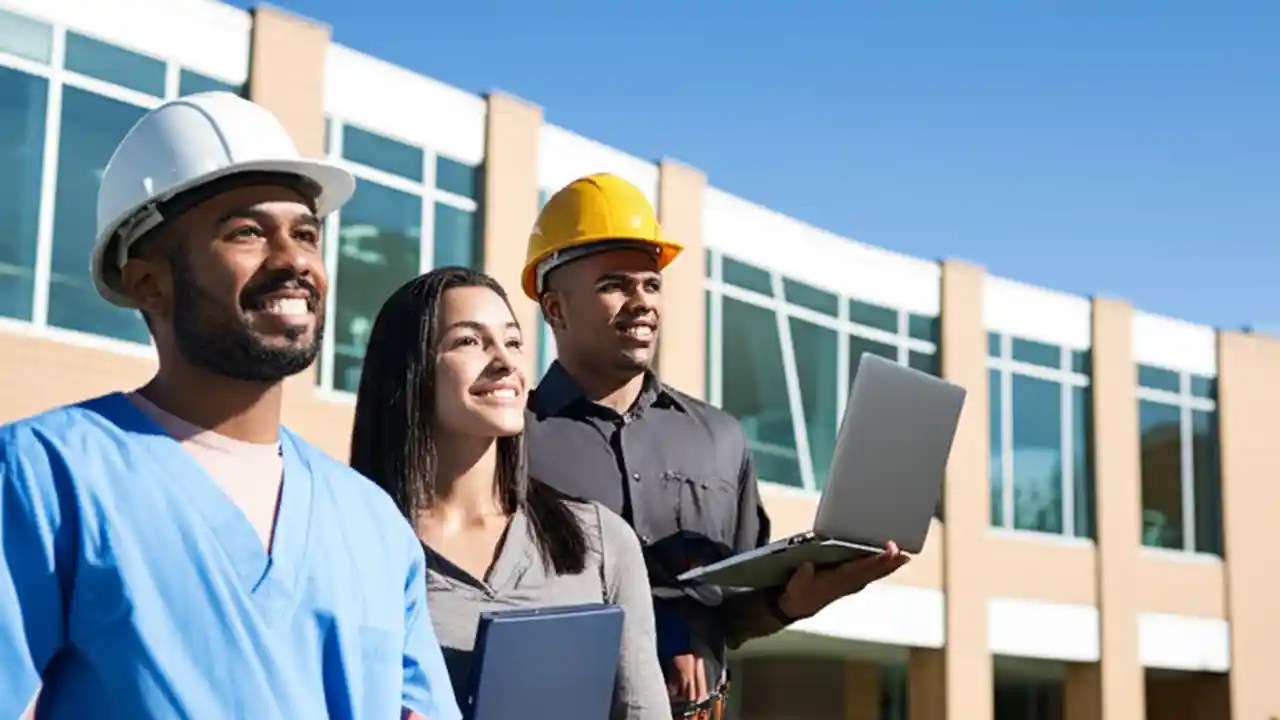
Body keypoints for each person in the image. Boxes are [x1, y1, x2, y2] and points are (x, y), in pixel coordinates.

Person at [0, 92, 459, 720]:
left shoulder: (373, 524)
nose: (295, 260)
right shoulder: (43, 478)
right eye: (247, 232)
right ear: (148, 282)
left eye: (306, 234)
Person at [521, 173, 912, 717]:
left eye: (651, 284)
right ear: (555, 309)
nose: (642, 302)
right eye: (614, 284)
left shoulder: (720, 438)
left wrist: (790, 602)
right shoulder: (509, 441)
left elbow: (736, 610)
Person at [348, 266, 672, 720]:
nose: (505, 362)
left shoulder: (601, 542)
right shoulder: (350, 546)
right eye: (470, 341)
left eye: (514, 341)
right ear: (410, 370)